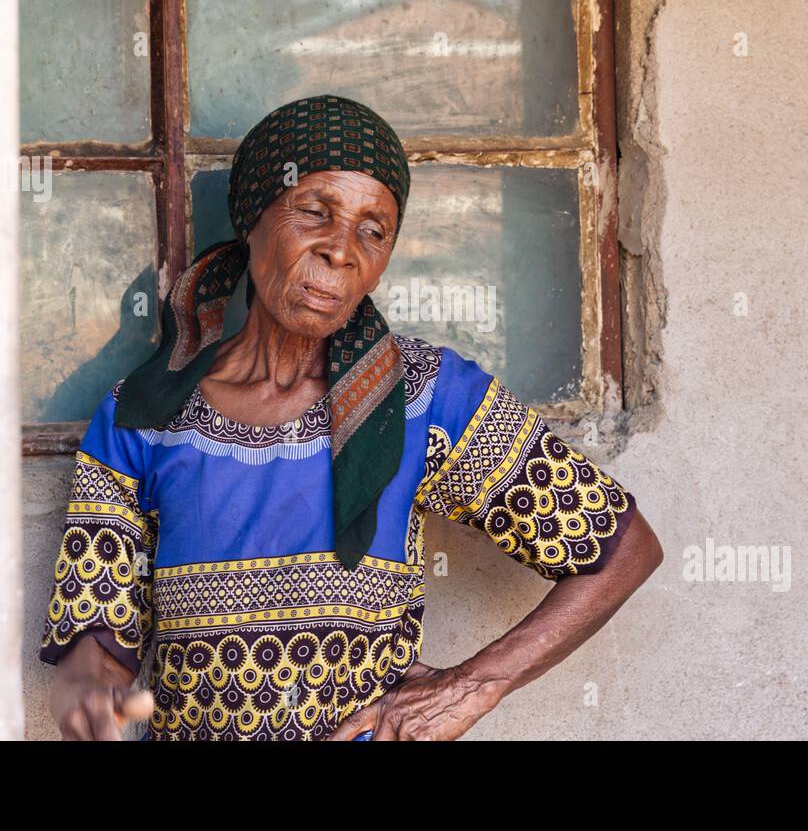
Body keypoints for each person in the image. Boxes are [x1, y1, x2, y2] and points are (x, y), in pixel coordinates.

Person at [38, 94, 663, 740]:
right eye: (316, 211)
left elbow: (623, 548)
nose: (342, 250)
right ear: (253, 217)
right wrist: (87, 691)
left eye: (374, 229)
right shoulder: (142, 413)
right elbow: (100, 640)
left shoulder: (424, 397)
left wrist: (469, 689)